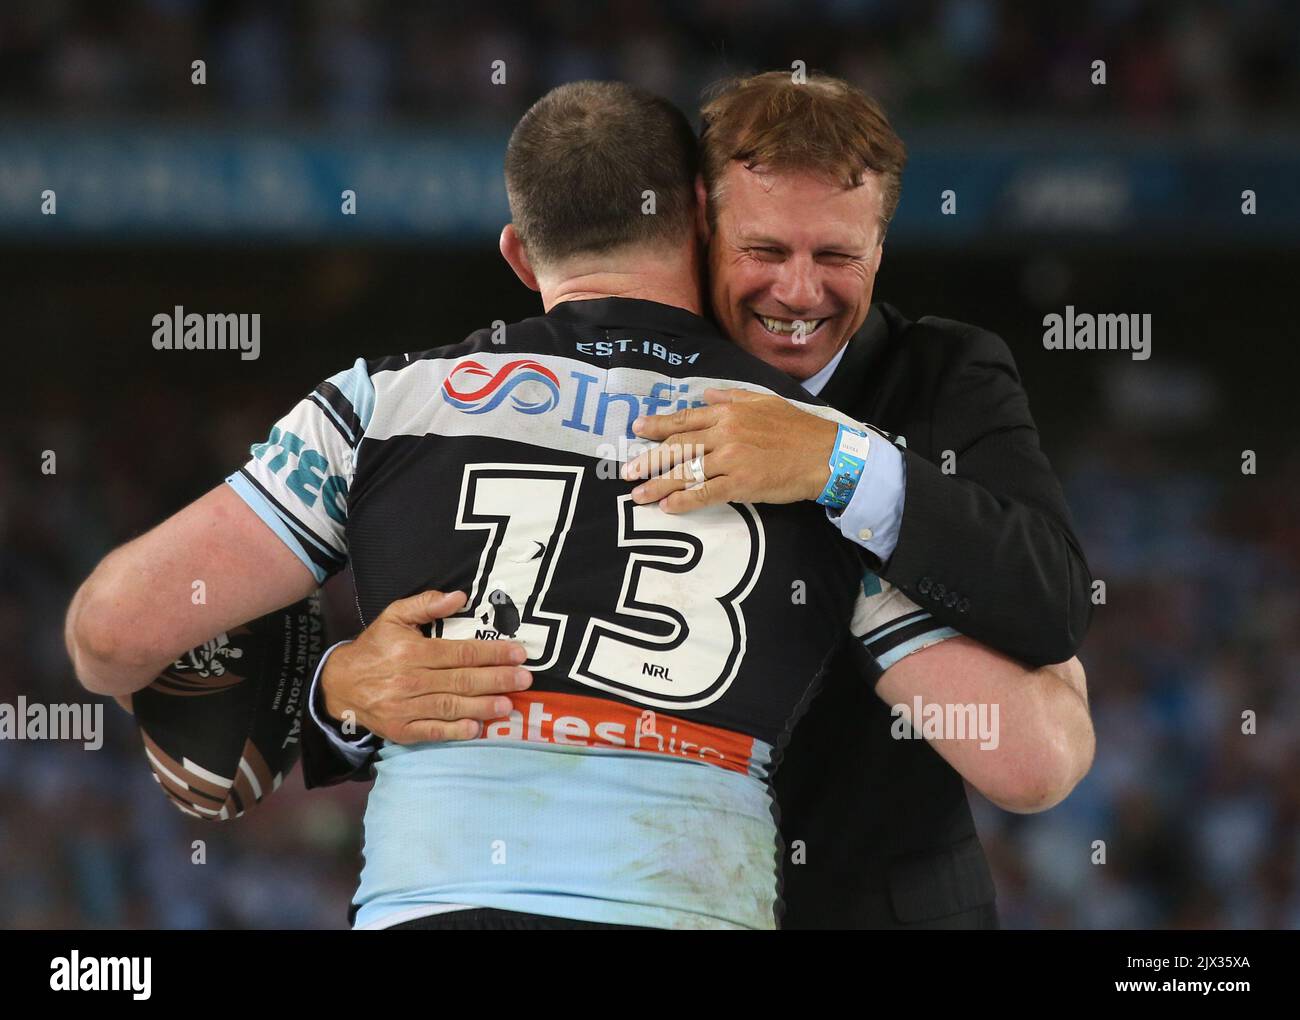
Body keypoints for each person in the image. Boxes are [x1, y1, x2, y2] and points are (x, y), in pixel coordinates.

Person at [65, 81, 1092, 930]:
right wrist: (340, 690)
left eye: (836, 257)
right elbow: (1035, 761)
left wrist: (838, 464)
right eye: (765, 251)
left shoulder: (394, 402)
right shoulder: (802, 455)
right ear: (697, 222)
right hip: (692, 899)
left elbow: (109, 632)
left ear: (522, 252)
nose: (796, 291)